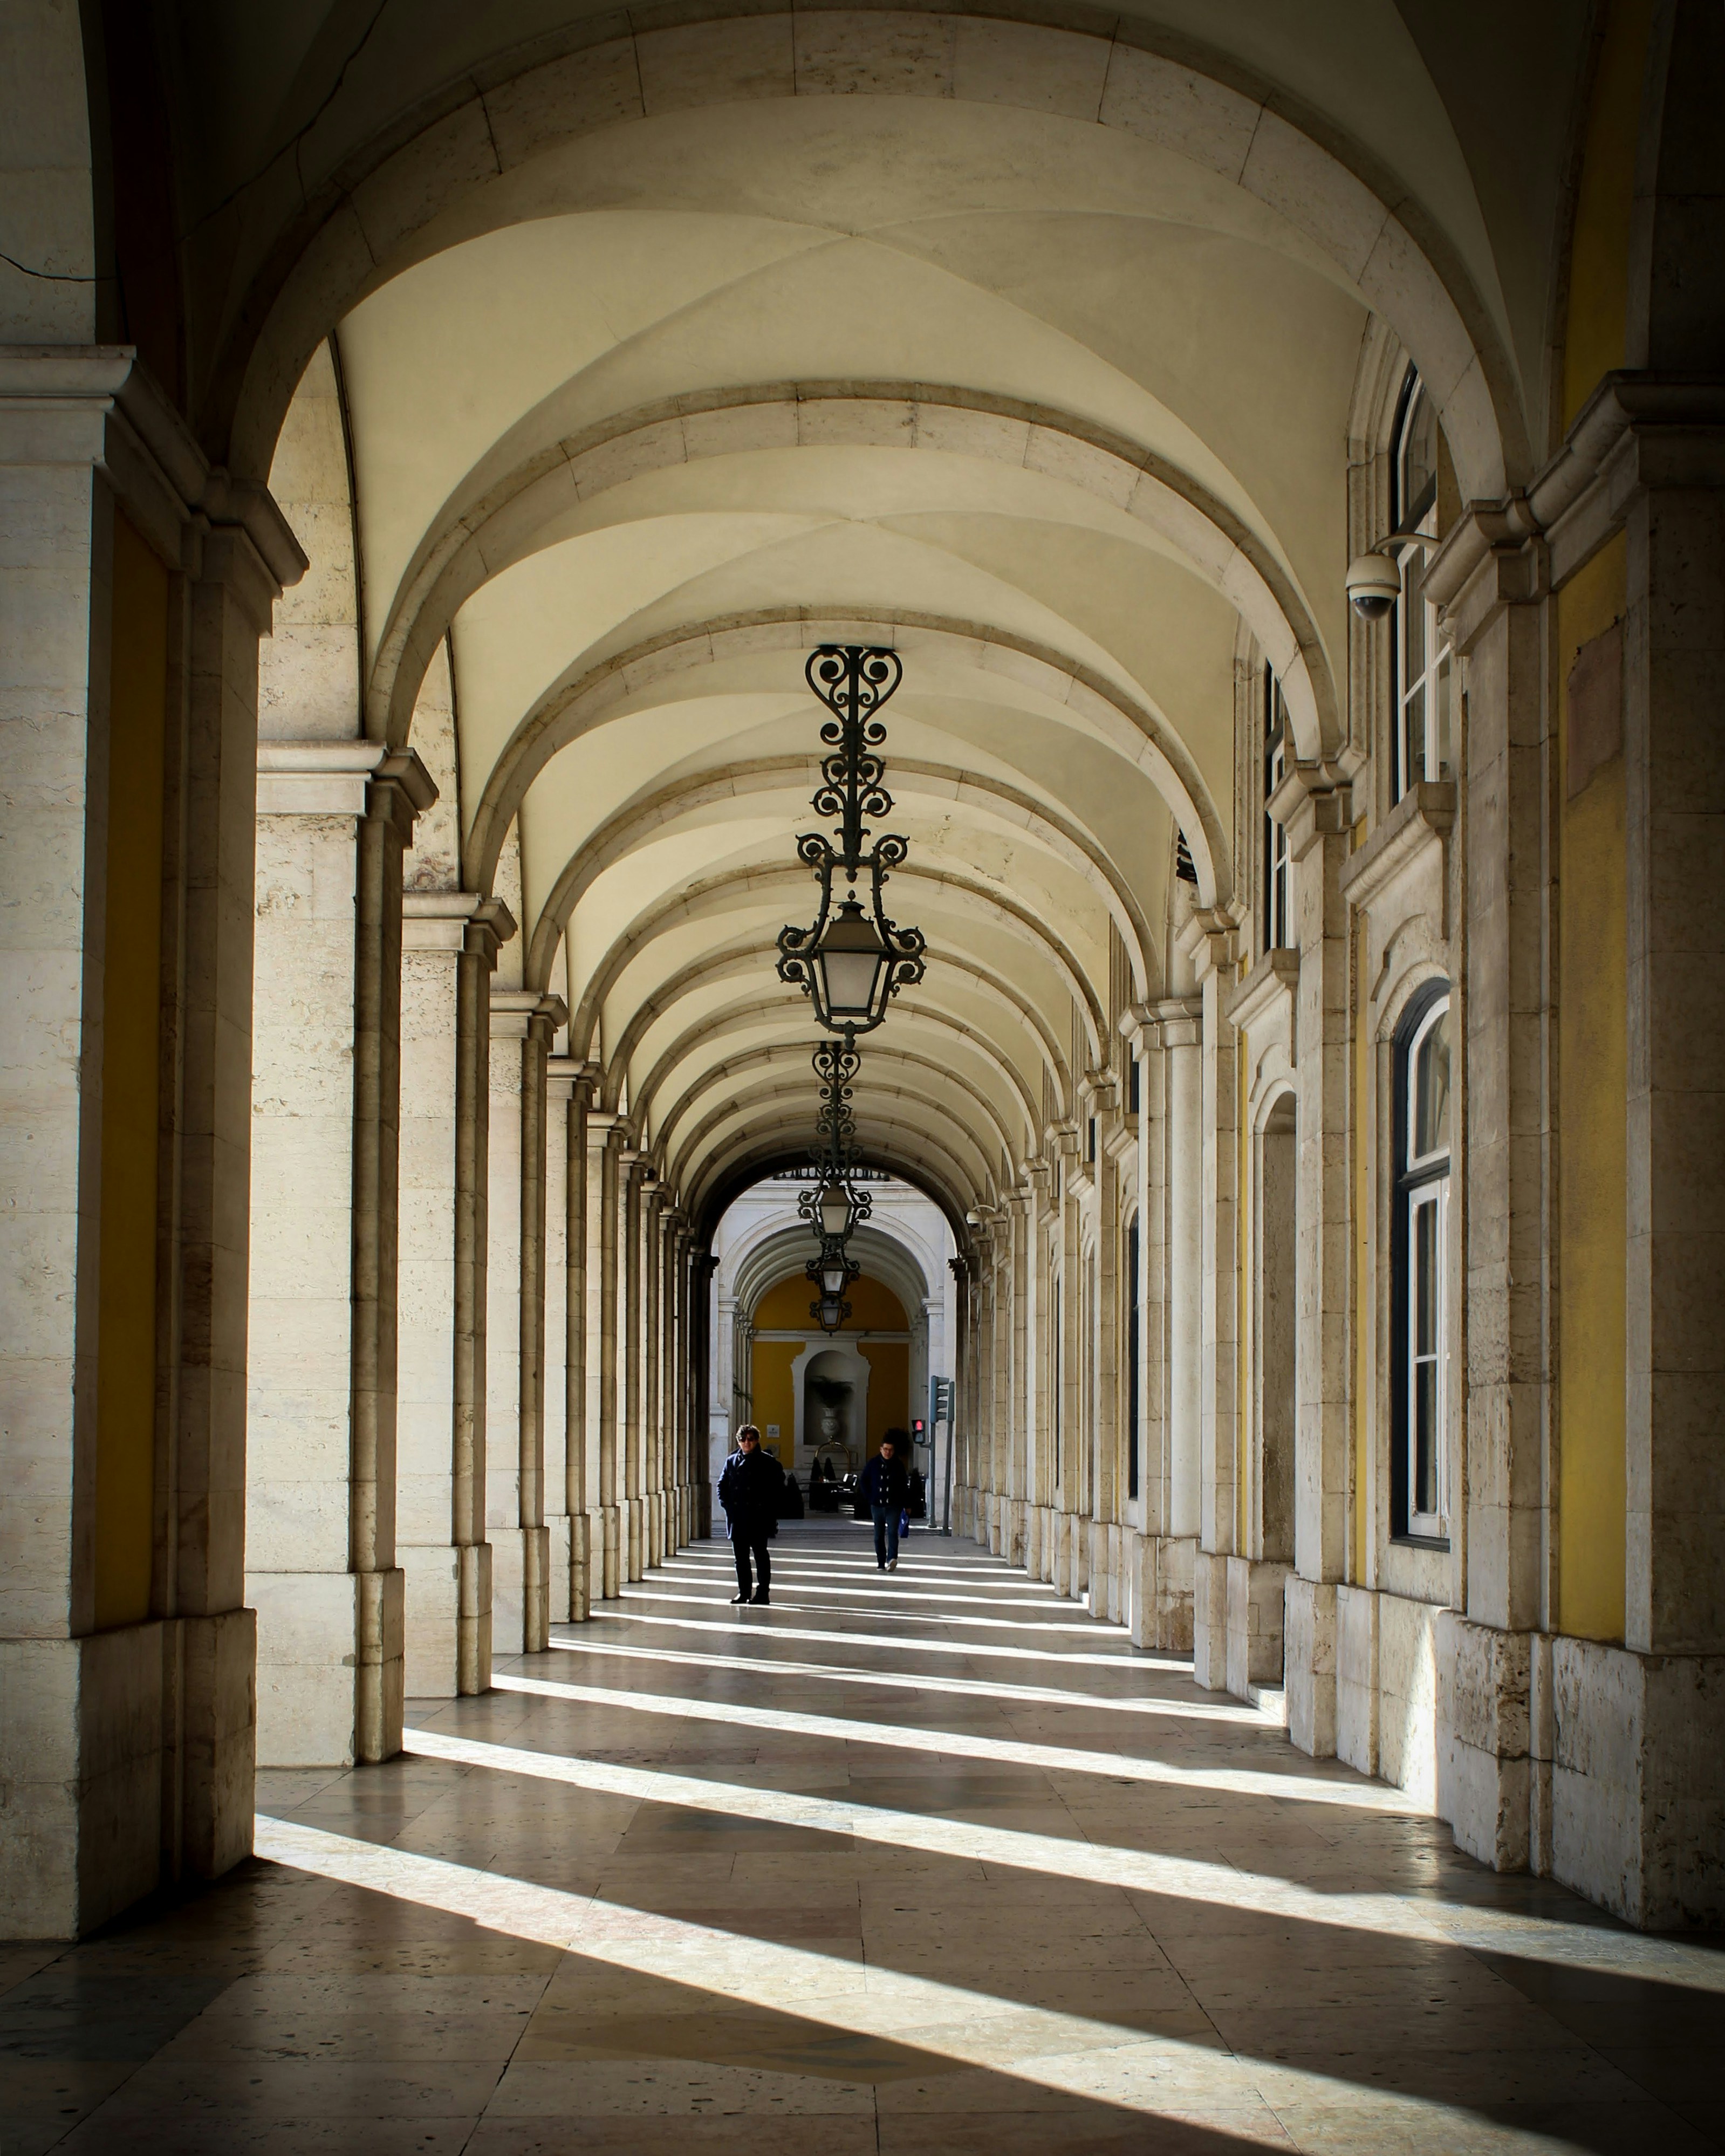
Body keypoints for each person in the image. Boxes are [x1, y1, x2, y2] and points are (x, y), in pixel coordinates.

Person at [717, 1425, 784, 1604]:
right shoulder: (731, 1461)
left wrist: (768, 1508)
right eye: (743, 1439)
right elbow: (721, 1485)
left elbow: (778, 1487)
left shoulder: (767, 1462)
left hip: (758, 1518)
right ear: (738, 1441)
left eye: (751, 1439)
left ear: (756, 1441)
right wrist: (726, 1505)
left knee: (761, 1556)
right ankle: (744, 1592)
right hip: (737, 1518)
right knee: (740, 1559)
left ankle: (763, 1593)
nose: (747, 1442)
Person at [859, 1436, 911, 1571]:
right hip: (877, 1505)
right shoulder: (873, 1463)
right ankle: (881, 1562)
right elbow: (864, 1480)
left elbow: (904, 1486)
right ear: (881, 1449)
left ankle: (892, 1559)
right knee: (878, 1535)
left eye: (891, 1450)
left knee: (893, 1532)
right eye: (886, 1449)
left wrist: (907, 1504)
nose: (888, 1452)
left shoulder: (898, 1465)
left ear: (893, 1451)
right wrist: (870, 1497)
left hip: (894, 1505)